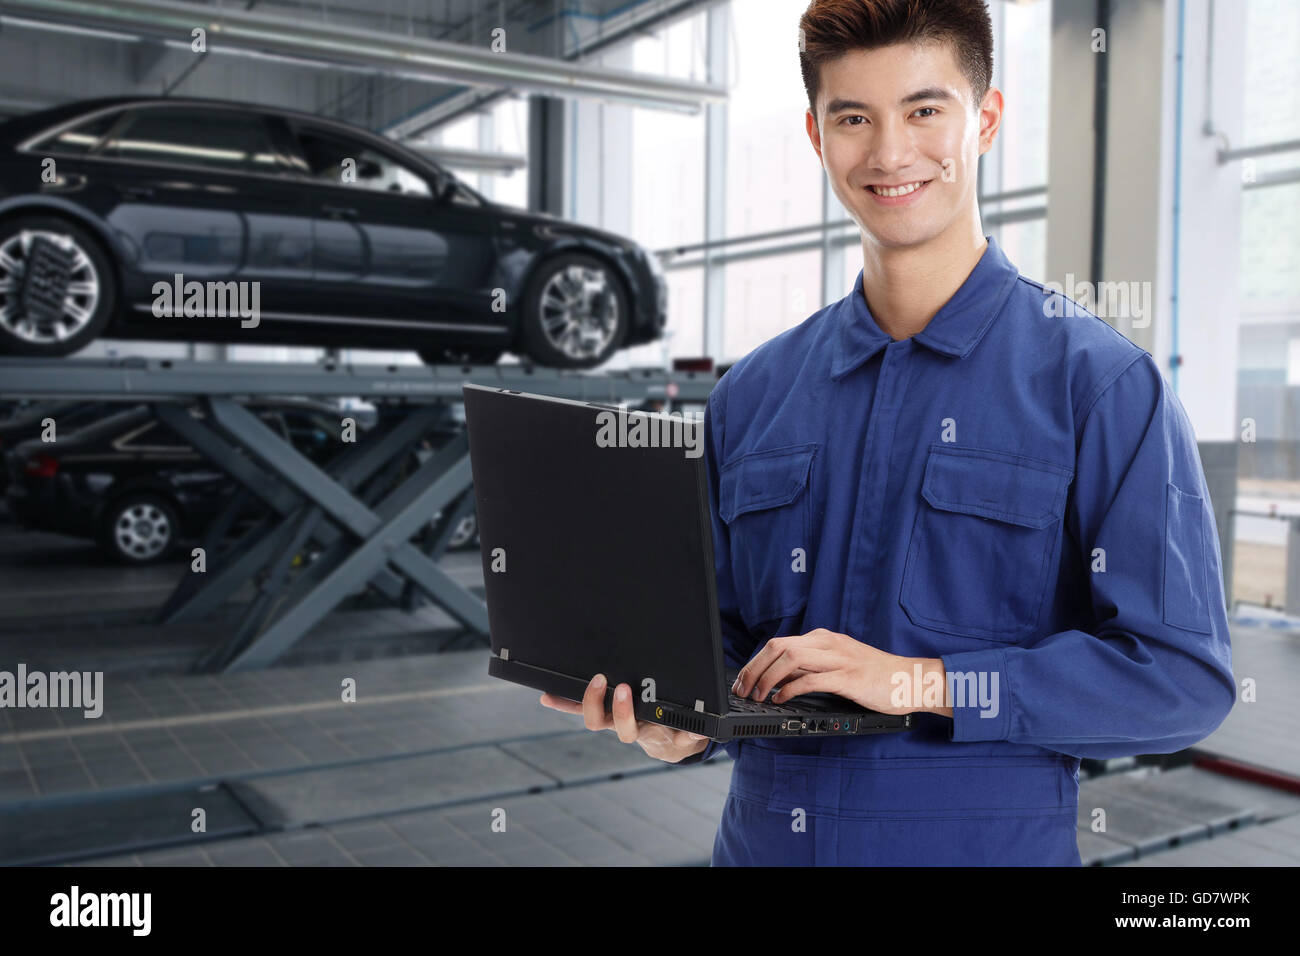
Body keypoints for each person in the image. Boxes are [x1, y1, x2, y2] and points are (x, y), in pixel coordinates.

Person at [541, 0, 1235, 866]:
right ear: (816, 136)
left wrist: (924, 681)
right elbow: (715, 649)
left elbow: (1181, 681)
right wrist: (678, 724)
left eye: (923, 110)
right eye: (854, 118)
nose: (890, 153)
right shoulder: (753, 394)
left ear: (984, 120)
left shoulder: (1097, 386)